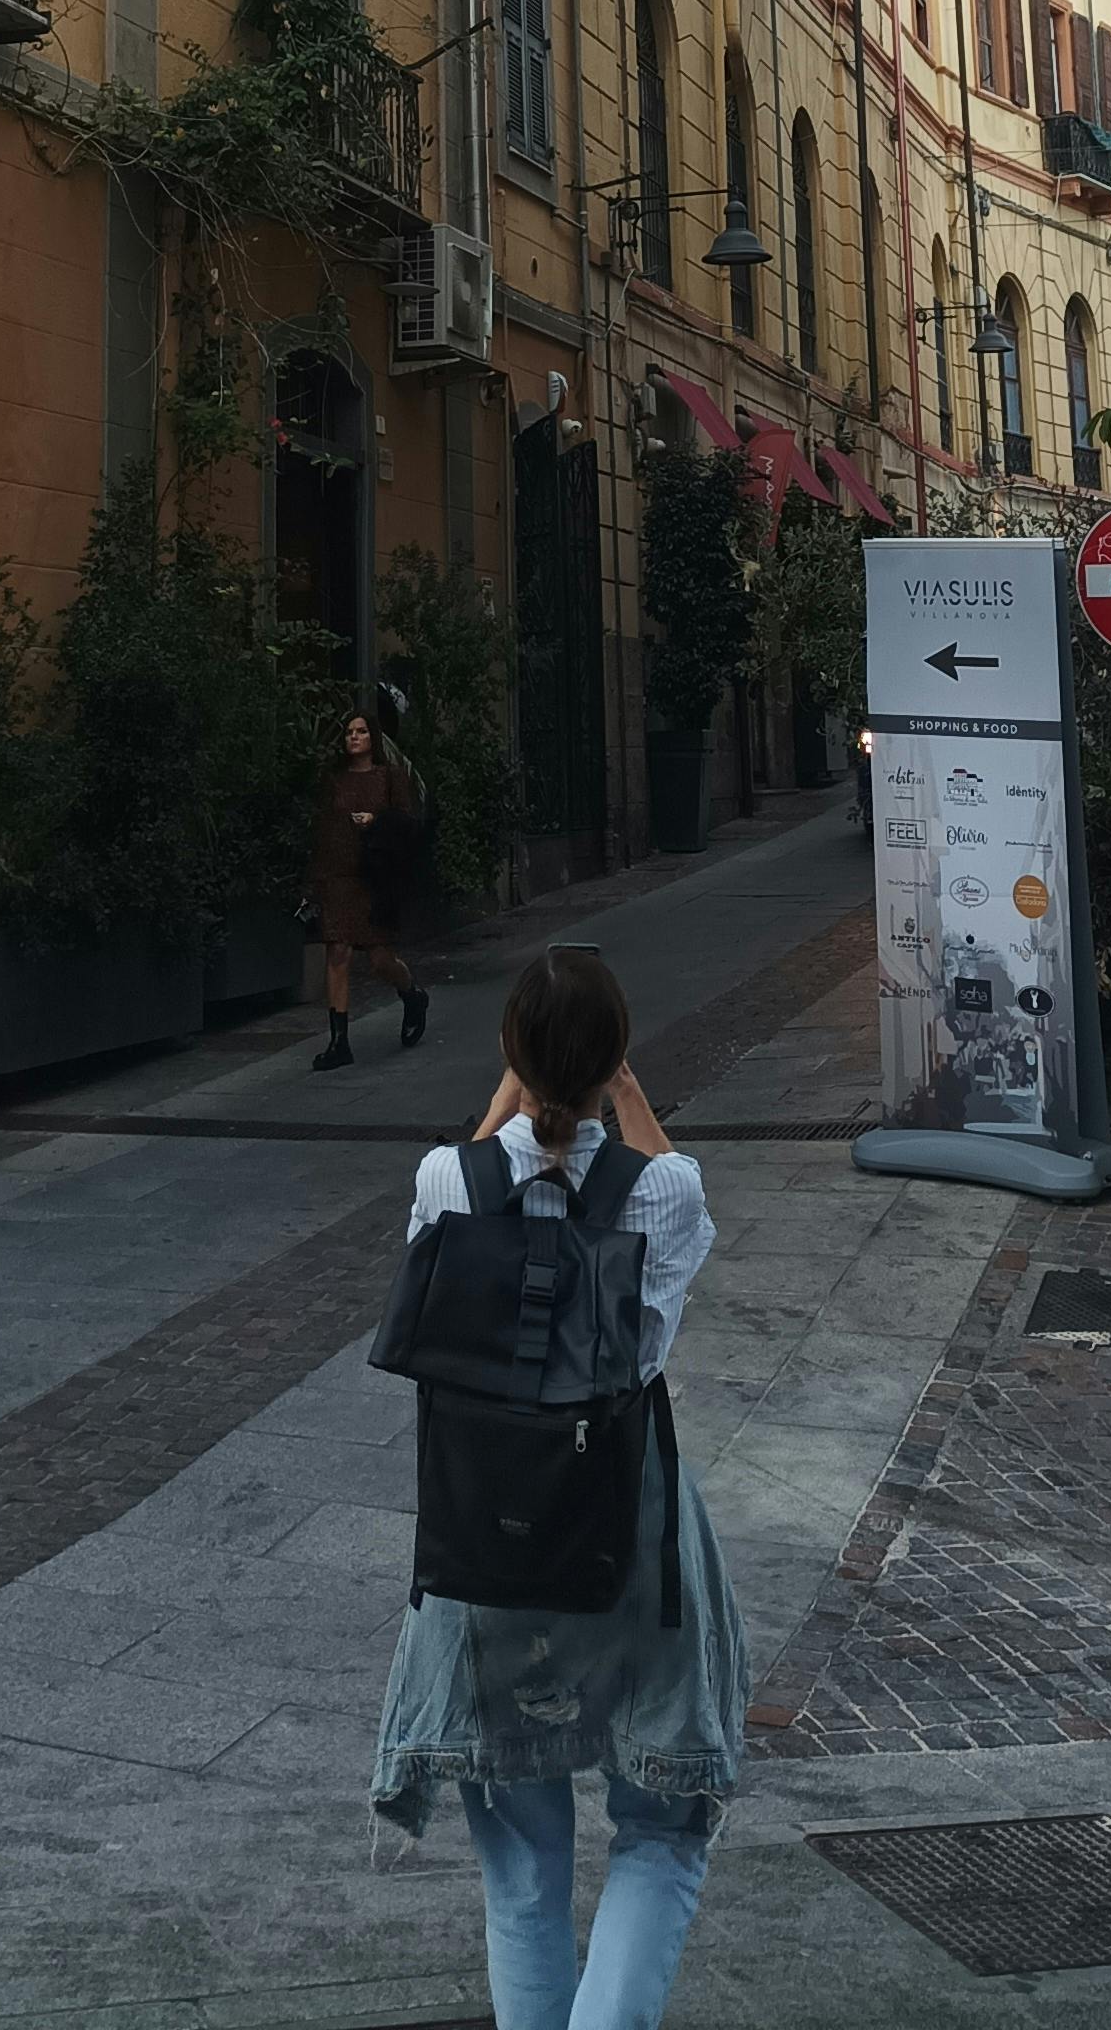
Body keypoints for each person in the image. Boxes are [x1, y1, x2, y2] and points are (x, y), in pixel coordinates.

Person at [372, 946, 748, 2029]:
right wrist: (620, 1092)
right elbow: (692, 1220)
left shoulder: (449, 1181)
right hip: (624, 1528)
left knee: (522, 1860)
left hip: (484, 1535)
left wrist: (515, 1090)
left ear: (510, 1054)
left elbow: (478, 1164)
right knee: (662, 1827)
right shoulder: (660, 1190)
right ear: (614, 1060)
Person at [311, 706, 428, 1072]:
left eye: (360, 731)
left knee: (380, 960)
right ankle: (339, 1041)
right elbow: (324, 830)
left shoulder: (389, 776)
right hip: (339, 877)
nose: (353, 738)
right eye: (348, 732)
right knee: (338, 953)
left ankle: (412, 995)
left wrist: (377, 821)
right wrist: (315, 880)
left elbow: (408, 823)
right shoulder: (335, 780)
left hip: (376, 878)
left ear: (372, 738)